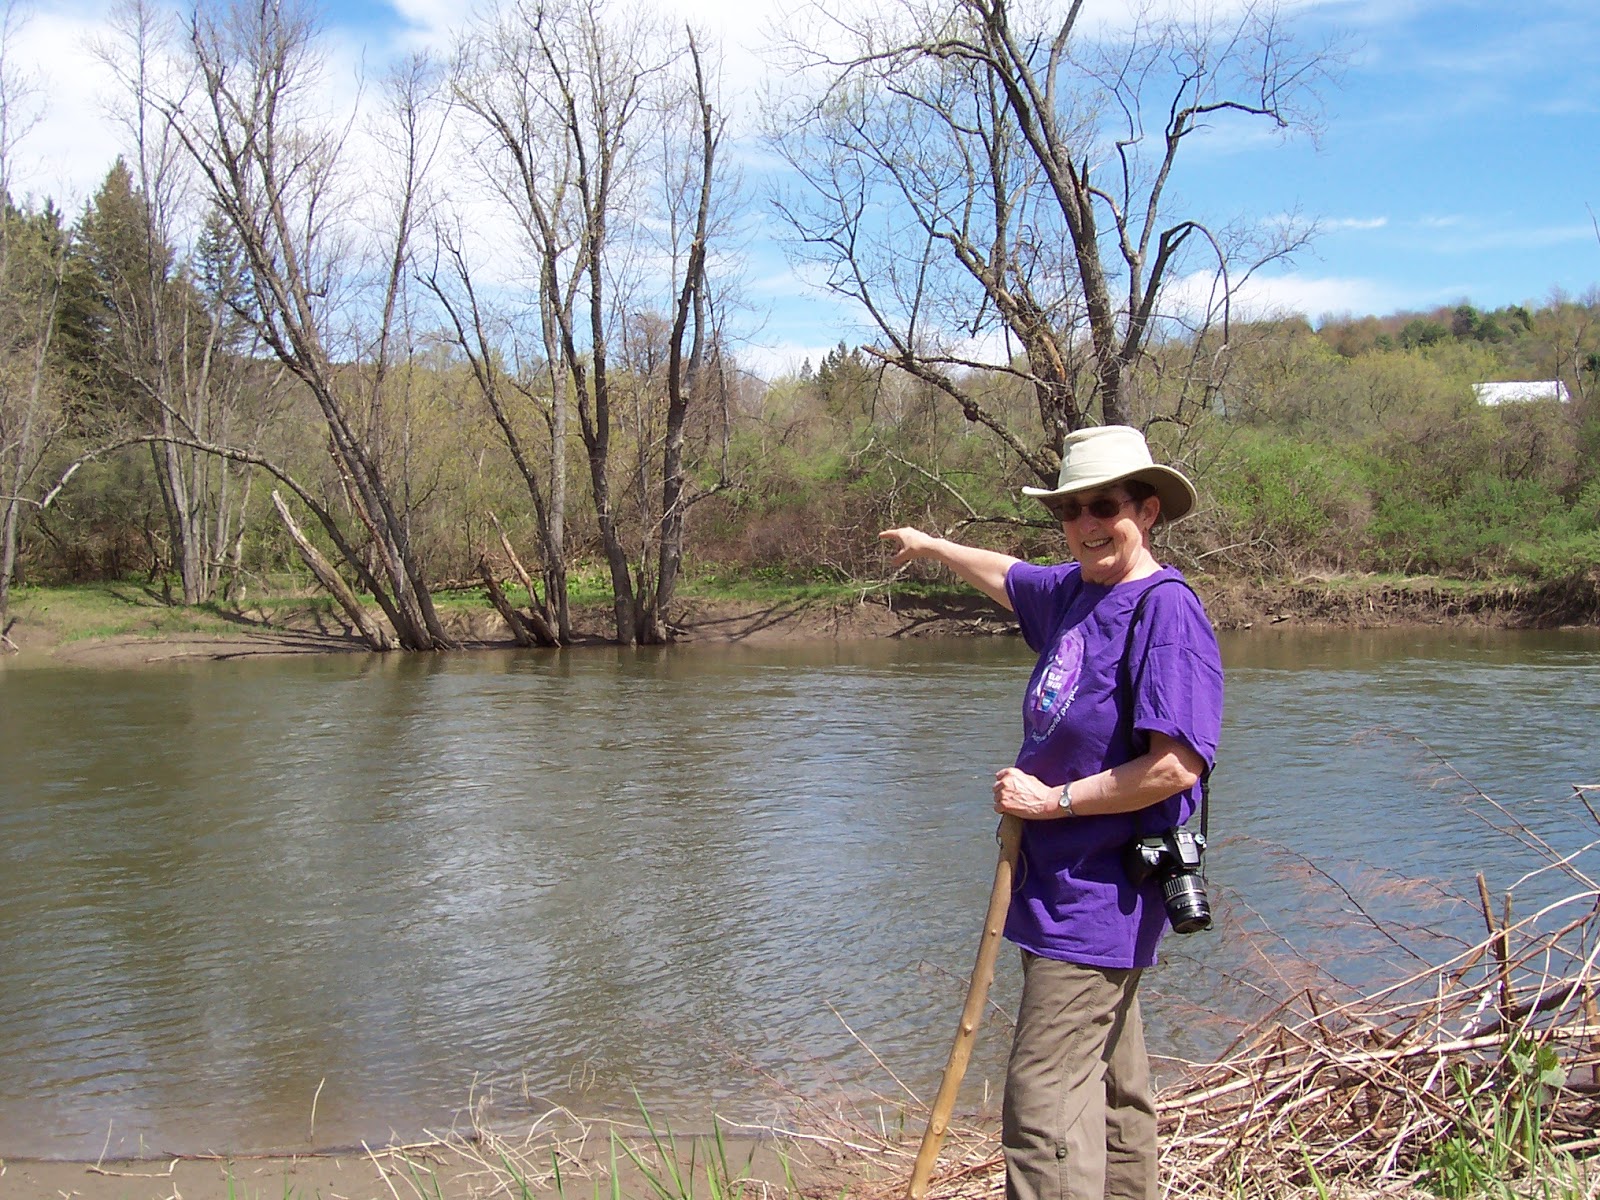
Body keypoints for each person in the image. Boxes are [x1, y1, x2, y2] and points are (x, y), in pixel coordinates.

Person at [879, 424, 1224, 1200]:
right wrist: (933, 546)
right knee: (1110, 1093)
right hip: (1056, 886)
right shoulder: (1076, 591)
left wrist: (1051, 800)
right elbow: (1008, 576)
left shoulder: (1165, 615)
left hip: (1101, 896)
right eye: (1070, 511)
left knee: (1041, 1107)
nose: (1086, 524)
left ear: (1148, 509)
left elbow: (1176, 766)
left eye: (1104, 506)